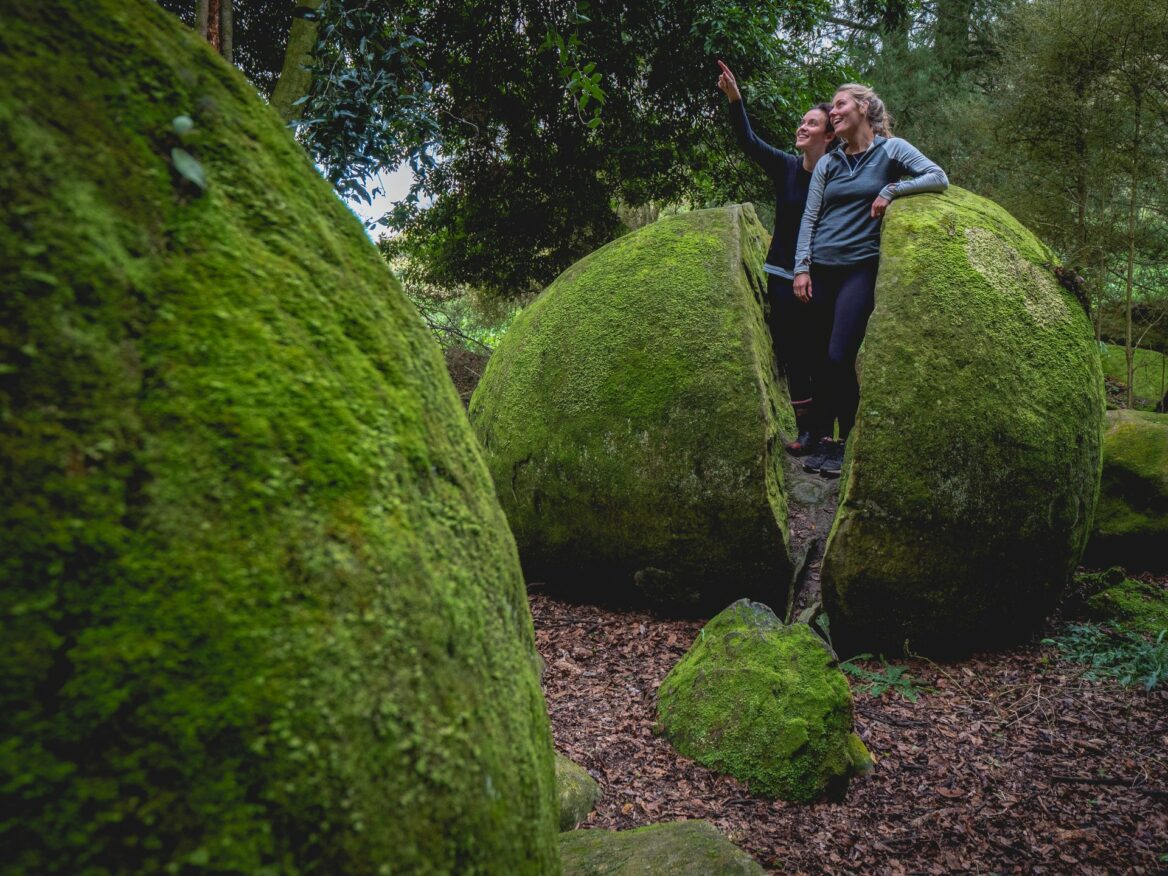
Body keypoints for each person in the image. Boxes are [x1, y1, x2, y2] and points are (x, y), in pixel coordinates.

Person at [793, 83, 948, 477]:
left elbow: (938, 176)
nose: (835, 111)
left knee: (840, 355)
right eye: (834, 108)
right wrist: (802, 267)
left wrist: (893, 188)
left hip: (860, 268)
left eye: (842, 104)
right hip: (821, 268)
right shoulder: (829, 162)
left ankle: (846, 440)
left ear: (864, 106)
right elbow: (810, 217)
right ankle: (825, 438)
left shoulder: (890, 150)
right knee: (820, 359)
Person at [716, 60, 837, 455]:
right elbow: (748, 141)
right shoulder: (786, 167)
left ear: (830, 136)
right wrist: (736, 99)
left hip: (820, 278)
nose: (802, 127)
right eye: (802, 122)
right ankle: (806, 433)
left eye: (812, 124)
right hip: (780, 275)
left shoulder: (840, 177)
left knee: (821, 352)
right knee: (793, 354)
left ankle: (827, 430)